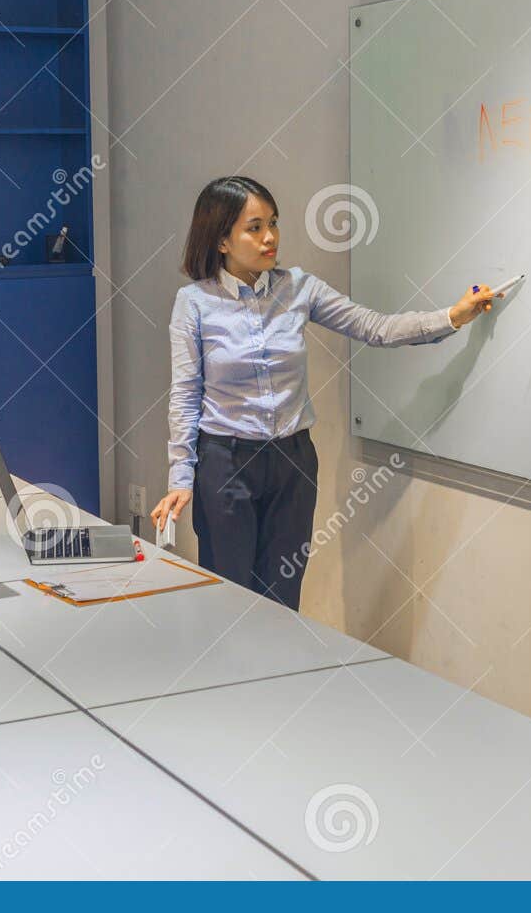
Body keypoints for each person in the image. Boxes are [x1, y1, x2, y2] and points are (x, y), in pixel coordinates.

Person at [149, 176, 503, 612]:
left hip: (292, 462)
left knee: (281, 601)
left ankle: (281, 679)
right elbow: (185, 394)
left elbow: (376, 327)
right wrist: (181, 476)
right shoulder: (195, 303)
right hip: (226, 463)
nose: (270, 237)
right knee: (230, 602)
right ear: (222, 239)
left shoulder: (299, 288)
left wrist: (453, 316)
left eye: (274, 223)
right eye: (254, 227)